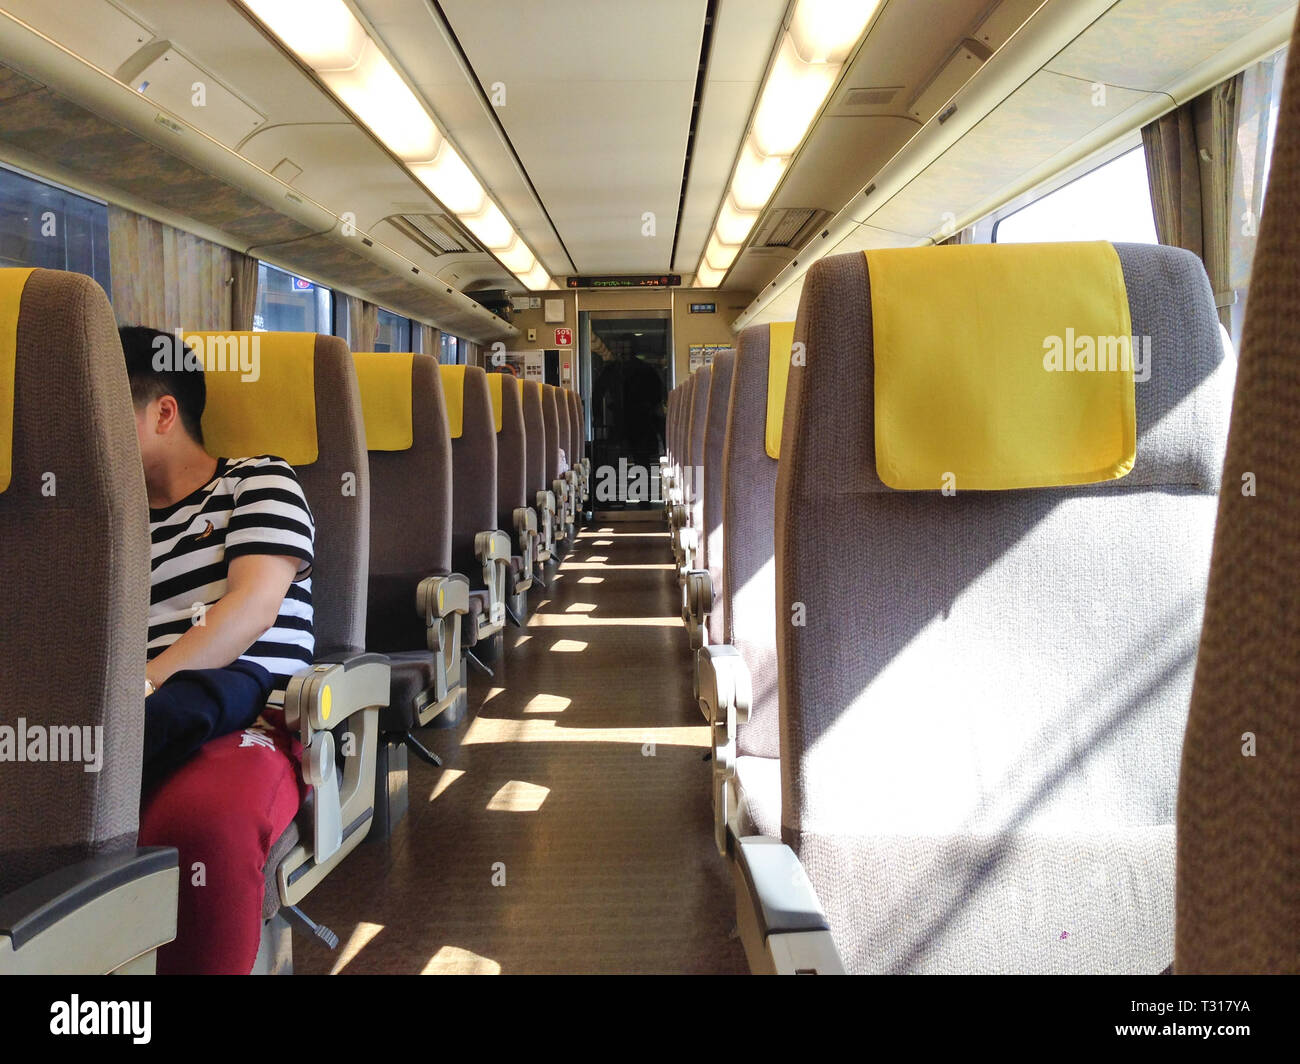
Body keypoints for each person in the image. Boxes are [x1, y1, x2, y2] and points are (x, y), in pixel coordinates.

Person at [121, 325, 314, 974]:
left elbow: (251, 609)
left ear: (163, 413)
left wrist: (139, 690)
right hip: (130, 721)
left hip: (246, 715)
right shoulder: (105, 525)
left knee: (201, 826)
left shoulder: (257, 482)